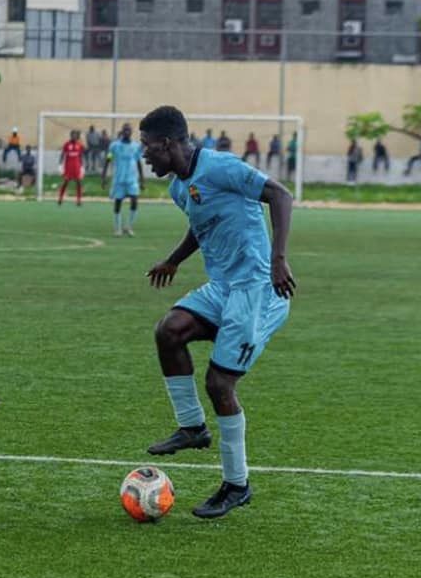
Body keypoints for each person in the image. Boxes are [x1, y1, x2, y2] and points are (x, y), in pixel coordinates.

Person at [138, 105, 296, 519]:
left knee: (219, 383)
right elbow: (201, 221)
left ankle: (236, 485)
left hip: (258, 289)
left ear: (169, 143)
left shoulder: (222, 167)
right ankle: (192, 428)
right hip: (222, 287)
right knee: (169, 330)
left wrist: (278, 259)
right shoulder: (177, 188)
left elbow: (280, 194)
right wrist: (174, 260)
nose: (145, 155)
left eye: (149, 147)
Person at [101, 122, 144, 237]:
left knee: (134, 200)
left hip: (132, 179)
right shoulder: (114, 146)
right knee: (118, 203)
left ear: (131, 132)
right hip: (119, 179)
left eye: (129, 130)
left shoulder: (135, 146)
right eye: (125, 130)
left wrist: (142, 179)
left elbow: (138, 162)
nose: (127, 132)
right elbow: (108, 160)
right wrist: (104, 176)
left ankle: (128, 226)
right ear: (122, 131)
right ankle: (118, 228)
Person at [57, 129, 86, 206]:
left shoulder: (79, 145)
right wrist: (60, 165)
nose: (74, 136)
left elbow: (80, 156)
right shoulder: (67, 144)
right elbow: (62, 155)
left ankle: (79, 200)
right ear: (71, 136)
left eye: (75, 135)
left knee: (79, 182)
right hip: (68, 166)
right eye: (73, 135)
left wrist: (82, 166)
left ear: (77, 136)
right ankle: (60, 197)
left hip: (76, 166)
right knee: (66, 182)